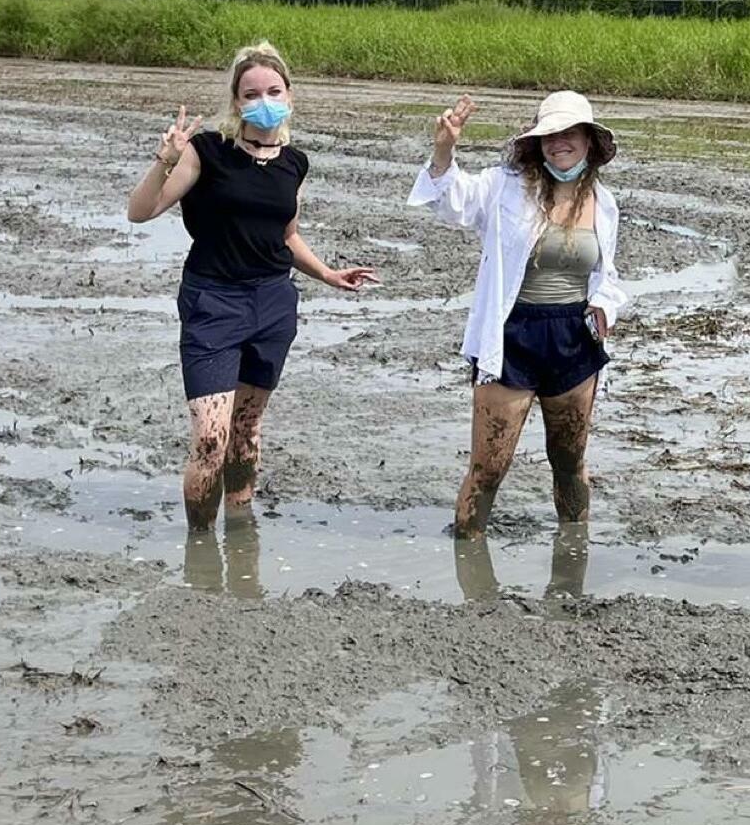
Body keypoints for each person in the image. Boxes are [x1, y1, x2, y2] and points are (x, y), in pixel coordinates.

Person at [126, 41, 376, 529]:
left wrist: (326, 272)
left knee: (246, 429)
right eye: (251, 93)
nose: (264, 100)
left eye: (273, 90)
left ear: (290, 96)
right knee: (210, 438)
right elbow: (141, 212)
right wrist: (164, 161)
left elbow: (286, 234)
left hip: (273, 303)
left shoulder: (295, 163)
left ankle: (240, 532)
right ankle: (200, 550)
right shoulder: (206, 153)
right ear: (236, 102)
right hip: (213, 301)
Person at [412, 90, 628, 535]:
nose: (558, 143)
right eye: (549, 135)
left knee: (569, 463)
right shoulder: (503, 186)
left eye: (569, 133)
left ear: (589, 141)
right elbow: (450, 202)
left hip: (574, 340)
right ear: (536, 143)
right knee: (488, 468)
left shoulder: (603, 204)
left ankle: (573, 553)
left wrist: (606, 305)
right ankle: (468, 554)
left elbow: (607, 275)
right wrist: (444, 148)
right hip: (512, 337)